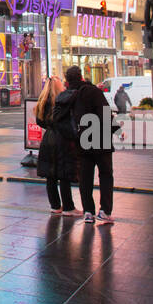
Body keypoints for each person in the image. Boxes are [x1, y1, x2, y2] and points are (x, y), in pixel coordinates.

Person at [70, 65, 115, 224]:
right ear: (81, 77)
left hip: (82, 140)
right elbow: (105, 112)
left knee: (85, 176)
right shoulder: (93, 91)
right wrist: (115, 130)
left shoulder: (70, 95)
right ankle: (105, 210)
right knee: (105, 174)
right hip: (100, 138)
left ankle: (88, 211)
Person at [35, 75, 80, 216]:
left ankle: (55, 205)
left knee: (51, 175)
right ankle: (68, 207)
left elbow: (39, 121)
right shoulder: (62, 101)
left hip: (48, 139)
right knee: (64, 173)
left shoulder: (42, 102)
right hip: (61, 138)